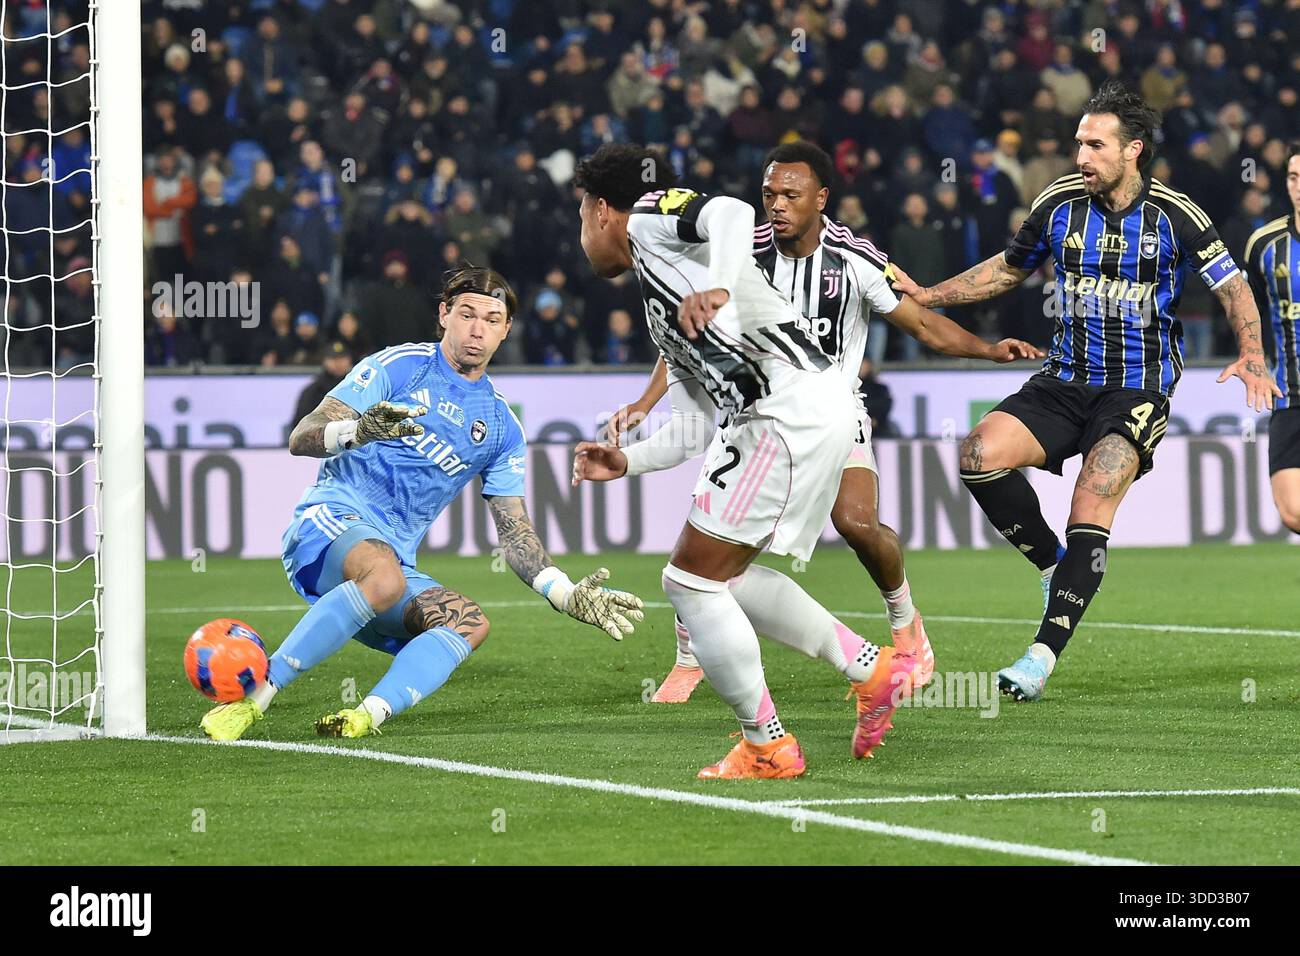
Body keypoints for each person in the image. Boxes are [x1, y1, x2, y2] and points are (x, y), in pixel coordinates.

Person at [605, 141, 1040, 706]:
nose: (777, 206)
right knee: (713, 544)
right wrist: (647, 400)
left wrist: (987, 350)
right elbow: (689, 331)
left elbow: (924, 328)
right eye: (769, 195)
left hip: (834, 410)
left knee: (858, 525)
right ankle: (690, 659)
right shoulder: (741, 252)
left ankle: (907, 631)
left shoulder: (855, 259)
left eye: (791, 194)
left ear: (822, 198)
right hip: (755, 414)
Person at [889, 82, 1279, 702]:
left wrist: (1253, 356)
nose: (1080, 156)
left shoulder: (1177, 215)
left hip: (1137, 390)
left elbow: (1233, 289)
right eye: (1078, 143)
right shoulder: (1058, 205)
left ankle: (1040, 658)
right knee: (976, 458)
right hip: (1064, 379)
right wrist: (929, 295)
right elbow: (1006, 270)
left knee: (1089, 505)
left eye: (1094, 145)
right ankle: (1055, 569)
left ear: (1133, 151)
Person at [571, 143, 922, 780]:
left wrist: (720, 286)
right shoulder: (660, 305)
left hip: (786, 412)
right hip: (789, 412)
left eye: (579, 216)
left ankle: (768, 744)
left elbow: (731, 211)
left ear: (599, 210)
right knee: (721, 580)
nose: (581, 233)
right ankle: (872, 669)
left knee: (689, 584)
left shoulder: (651, 217)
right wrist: (627, 462)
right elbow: (698, 420)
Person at [200, 266, 644, 742]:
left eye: (492, 319)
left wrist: (564, 593)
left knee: (469, 622)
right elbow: (301, 436)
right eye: (466, 314)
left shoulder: (501, 427)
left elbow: (514, 534)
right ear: (443, 315)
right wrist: (357, 431)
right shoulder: (399, 366)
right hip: (326, 526)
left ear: (506, 330)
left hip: (387, 572)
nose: (477, 329)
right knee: (385, 575)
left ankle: (364, 717)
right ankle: (253, 702)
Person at [1242, 141, 1300, 534]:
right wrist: (1255, 362)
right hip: (1290, 396)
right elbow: (1252, 314)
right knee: (1292, 512)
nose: (1299, 186)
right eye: (1294, 177)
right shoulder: (1263, 245)